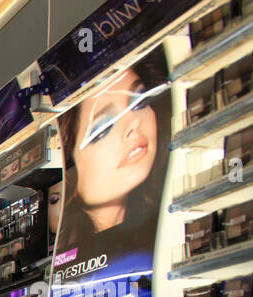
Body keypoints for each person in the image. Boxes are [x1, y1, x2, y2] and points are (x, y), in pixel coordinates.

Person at [54, 52, 170, 264]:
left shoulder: (162, 230)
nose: (134, 123)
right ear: (69, 174)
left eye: (139, 102)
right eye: (104, 128)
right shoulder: (75, 272)